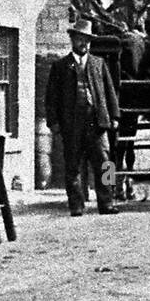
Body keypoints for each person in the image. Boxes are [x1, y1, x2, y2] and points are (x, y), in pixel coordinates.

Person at [45, 19, 120, 217]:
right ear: (72, 39)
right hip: (72, 123)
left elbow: (110, 92)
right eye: (80, 39)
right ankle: (76, 205)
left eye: (87, 40)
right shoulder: (61, 66)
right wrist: (53, 122)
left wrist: (114, 115)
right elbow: (51, 98)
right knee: (72, 165)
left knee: (106, 163)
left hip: (97, 121)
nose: (83, 43)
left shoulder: (98, 64)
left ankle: (107, 202)